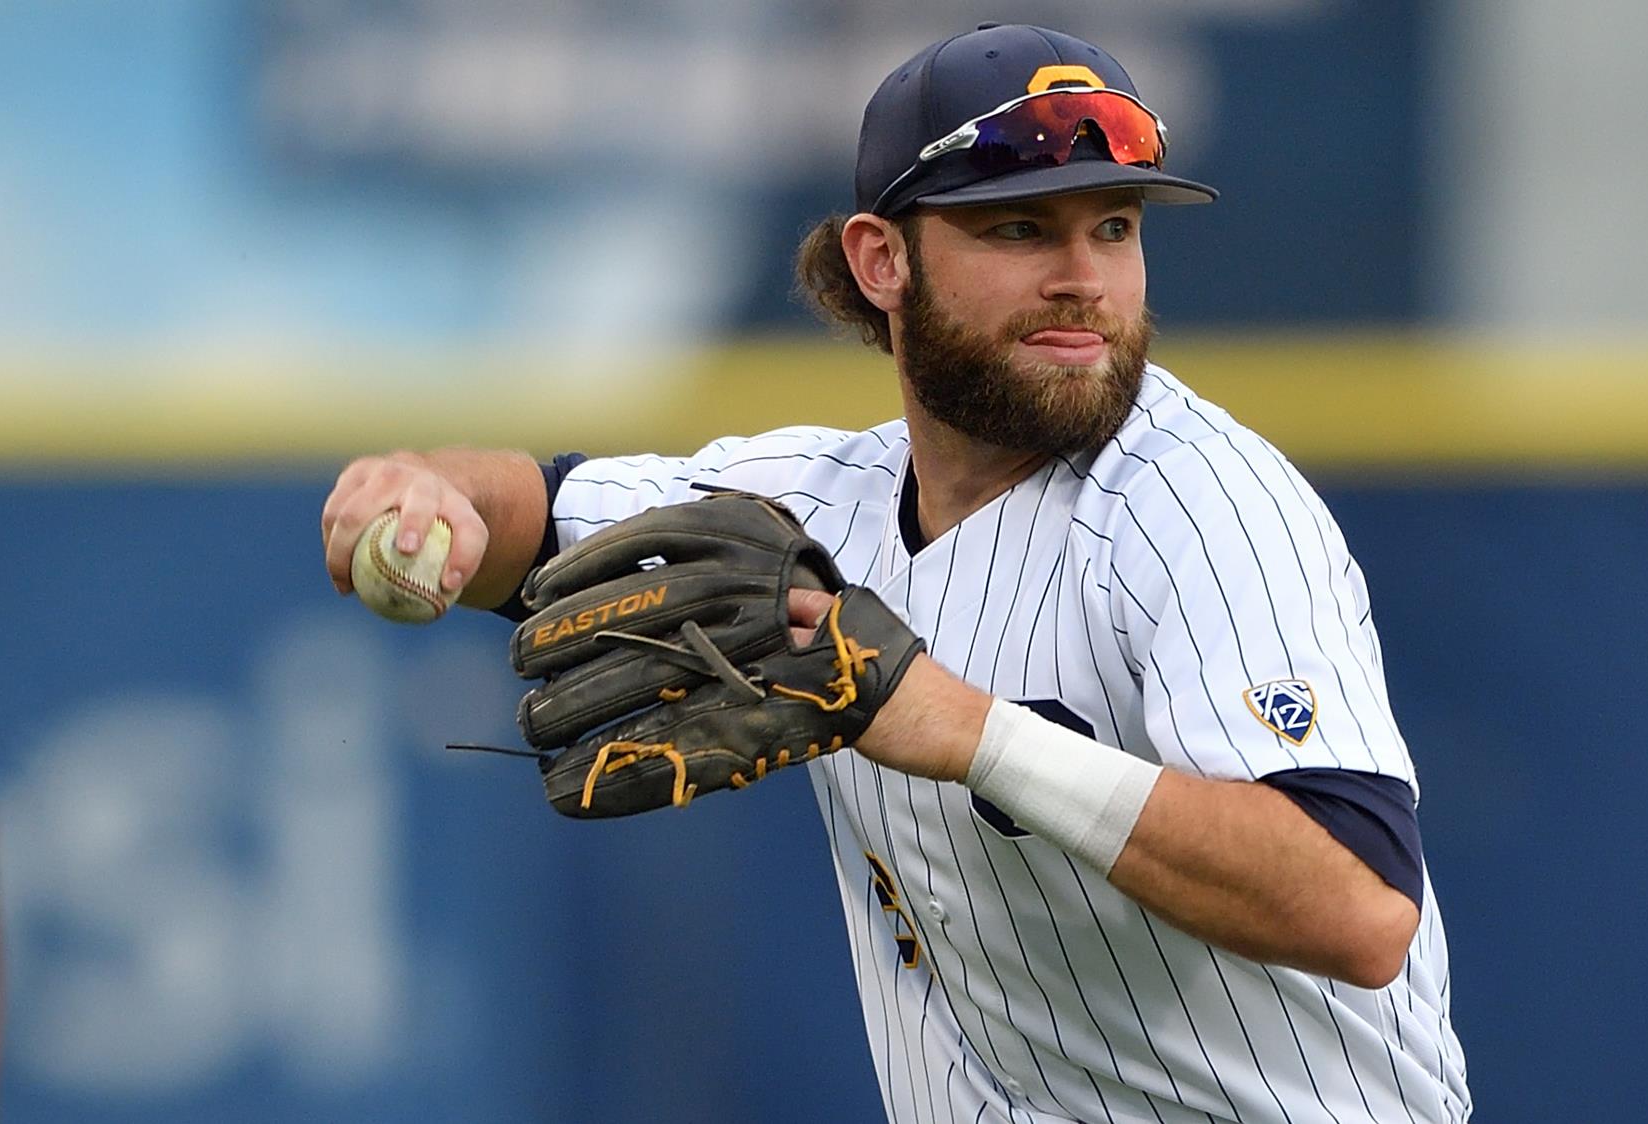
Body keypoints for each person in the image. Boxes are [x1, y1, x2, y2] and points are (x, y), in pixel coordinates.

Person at [322, 23, 1468, 1123]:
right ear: (882, 259)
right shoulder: (818, 505)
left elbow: (1357, 903)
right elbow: (531, 507)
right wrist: (422, 492)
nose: (1082, 277)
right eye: (1021, 229)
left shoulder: (1199, 502)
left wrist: (964, 729)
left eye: (1112, 227)